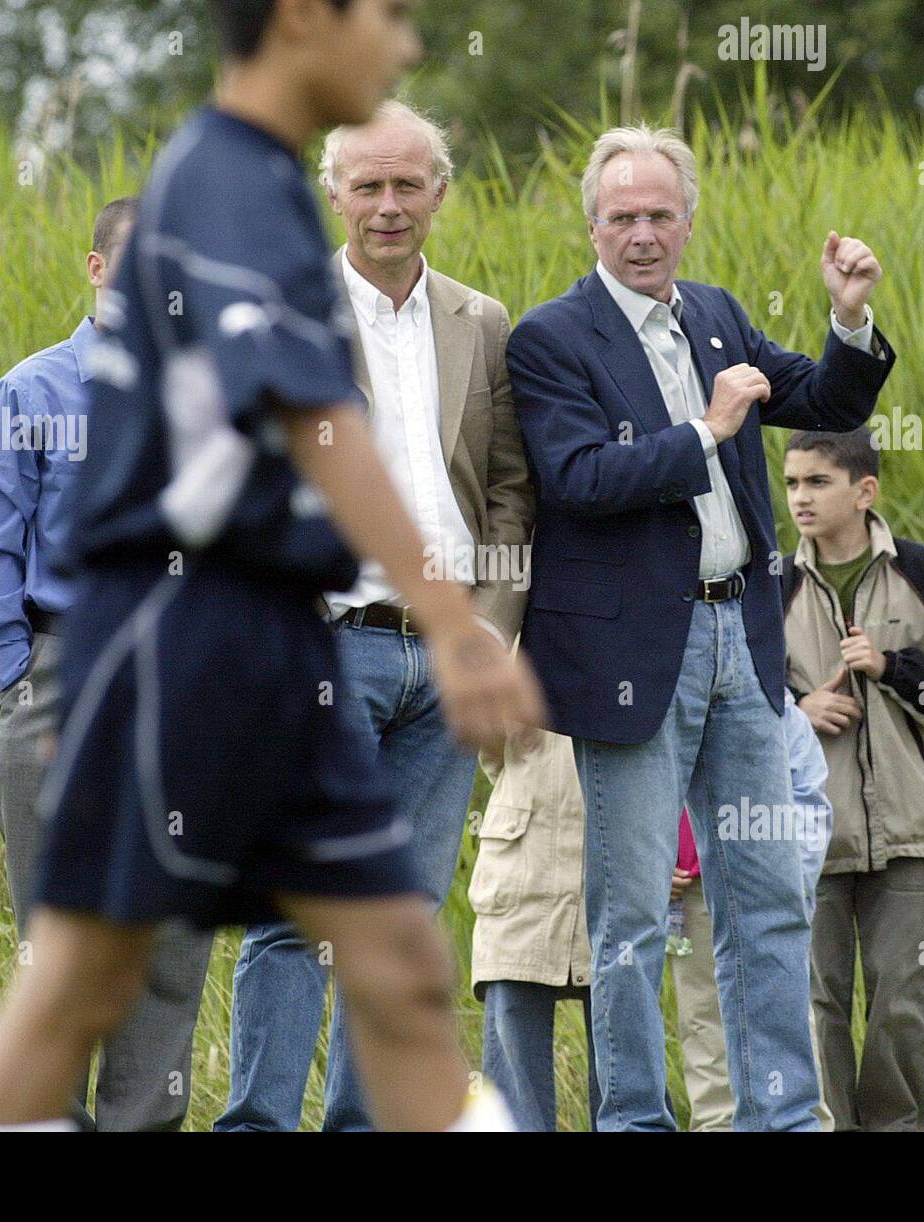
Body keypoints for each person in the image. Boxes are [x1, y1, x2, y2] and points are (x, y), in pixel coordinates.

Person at [0, 0, 543, 1134]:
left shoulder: (240, 176)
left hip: (249, 641)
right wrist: (455, 620)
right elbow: (315, 420)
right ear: (308, 18)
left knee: (397, 962)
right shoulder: (229, 183)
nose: (407, 45)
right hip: (181, 652)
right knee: (80, 982)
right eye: (393, 18)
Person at [506, 122, 896, 1130]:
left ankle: (783, 1115)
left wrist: (846, 324)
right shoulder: (550, 338)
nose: (642, 233)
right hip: (637, 657)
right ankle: (634, 1118)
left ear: (687, 220)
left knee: (766, 897)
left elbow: (817, 397)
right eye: (622, 215)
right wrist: (705, 433)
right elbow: (577, 478)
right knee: (632, 916)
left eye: (659, 214)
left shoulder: (716, 315)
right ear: (592, 223)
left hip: (743, 642)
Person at [217, 98, 534, 1132]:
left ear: (439, 193)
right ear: (333, 194)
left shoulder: (480, 320)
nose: (388, 206)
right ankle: (258, 1124)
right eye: (368, 185)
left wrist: (488, 623)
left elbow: (506, 489)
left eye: (408, 185)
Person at [0, 200, 215, 1131]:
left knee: (173, 943)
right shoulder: (33, 391)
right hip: (62, 674)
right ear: (96, 270)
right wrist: (17, 669)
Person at [782, 426, 924, 1131]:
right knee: (818, 1003)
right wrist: (798, 710)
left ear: (864, 490)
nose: (801, 498)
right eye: (791, 484)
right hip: (808, 833)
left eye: (818, 482)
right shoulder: (770, 584)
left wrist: (892, 667)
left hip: (911, 831)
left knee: (902, 998)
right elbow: (737, 697)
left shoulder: (922, 570)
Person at [666, 691, 835, 1132]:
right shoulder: (667, 701)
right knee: (706, 1034)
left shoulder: (776, 707)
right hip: (691, 897)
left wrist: (790, 882)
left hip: (768, 896)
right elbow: (645, 802)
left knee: (787, 1027)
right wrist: (656, 866)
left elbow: (810, 798)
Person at [469, 725, 599, 1131]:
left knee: (624, 1073)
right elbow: (489, 743)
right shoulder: (505, 656)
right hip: (522, 862)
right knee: (514, 1074)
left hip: (609, 863)